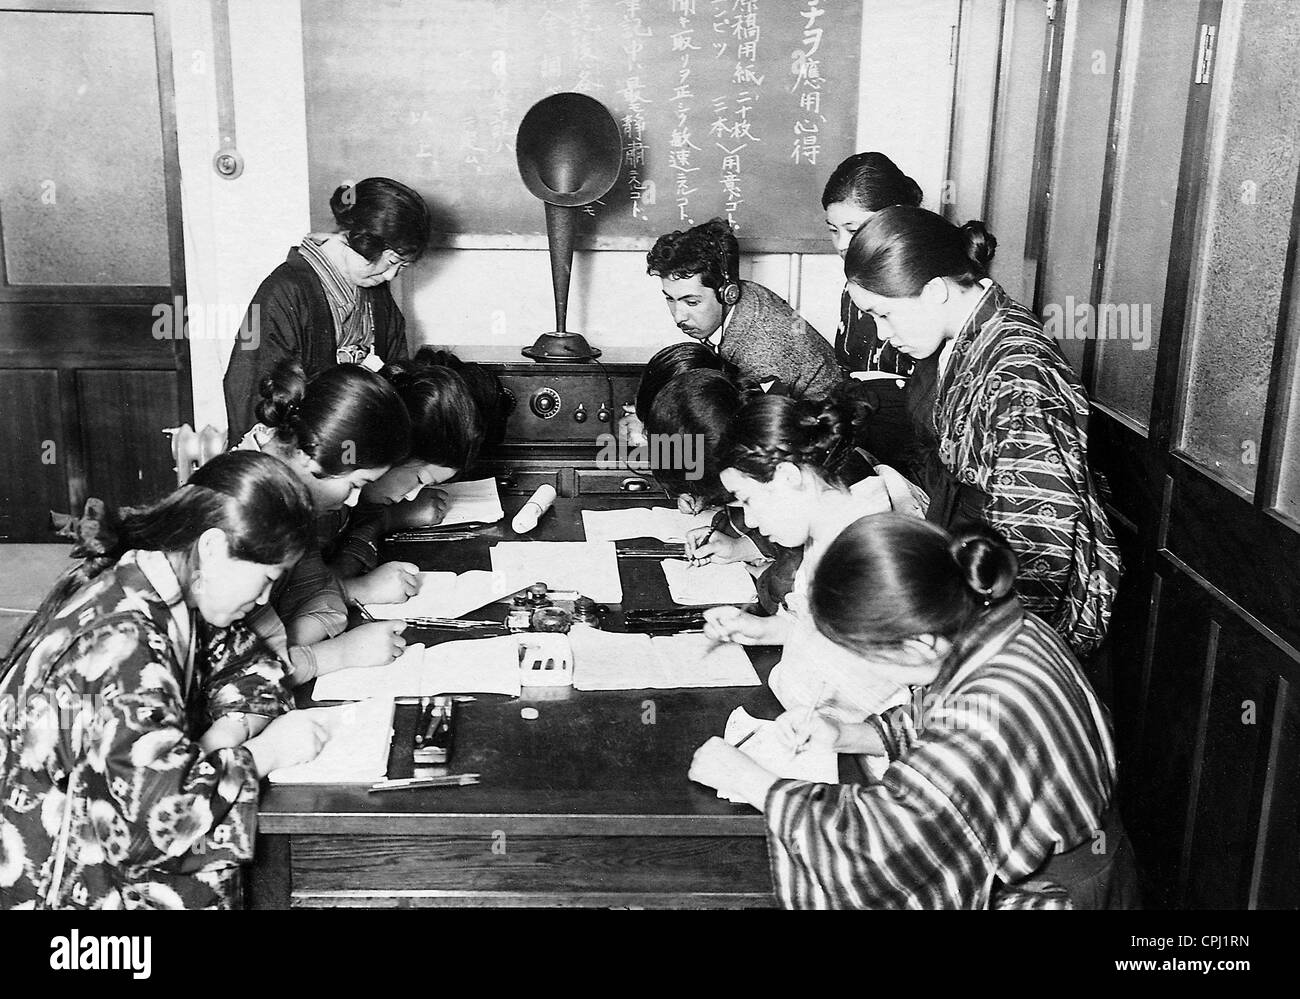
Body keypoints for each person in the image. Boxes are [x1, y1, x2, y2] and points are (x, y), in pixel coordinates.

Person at [689, 515, 1139, 909]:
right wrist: (845, 734)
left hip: (1049, 896)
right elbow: (946, 709)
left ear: (920, 643)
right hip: (1083, 862)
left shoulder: (984, 713)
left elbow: (887, 848)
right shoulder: (997, 624)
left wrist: (755, 783)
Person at [0, 451, 331, 910]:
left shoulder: (164, 588)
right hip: (65, 892)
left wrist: (222, 737)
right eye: (266, 579)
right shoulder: (126, 645)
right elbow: (155, 828)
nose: (263, 599)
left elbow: (254, 667)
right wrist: (262, 754)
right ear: (213, 549)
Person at [842, 206, 1121, 657]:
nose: (880, 334)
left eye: (884, 314)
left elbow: (1034, 543)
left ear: (934, 291)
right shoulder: (963, 338)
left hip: (1010, 619)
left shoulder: (1018, 371)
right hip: (963, 580)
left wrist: (979, 651)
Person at [700, 395, 925, 715]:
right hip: (811, 717)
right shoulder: (827, 530)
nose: (749, 521)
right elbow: (816, 630)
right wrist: (760, 629)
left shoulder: (872, 550)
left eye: (747, 500)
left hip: (851, 739)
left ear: (789, 476)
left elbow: (896, 687)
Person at [234, 360, 412, 683]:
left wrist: (289, 642)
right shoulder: (244, 510)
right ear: (308, 455)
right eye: (355, 484)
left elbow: (321, 597)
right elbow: (237, 673)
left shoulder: (287, 491)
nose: (353, 501)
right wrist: (338, 654)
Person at [224, 177, 432, 441]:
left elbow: (396, 374)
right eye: (392, 261)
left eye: (402, 267)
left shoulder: (375, 294)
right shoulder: (284, 291)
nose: (391, 276)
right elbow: (251, 395)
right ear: (360, 240)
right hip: (295, 453)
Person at [646, 218, 840, 399]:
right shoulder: (742, 296)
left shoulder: (763, 353)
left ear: (728, 294)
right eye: (671, 299)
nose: (679, 317)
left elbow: (765, 426)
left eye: (692, 302)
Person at [822, 152, 925, 468]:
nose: (841, 243)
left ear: (893, 217)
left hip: (909, 442)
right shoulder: (854, 279)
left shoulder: (921, 283)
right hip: (861, 426)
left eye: (853, 229)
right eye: (833, 229)